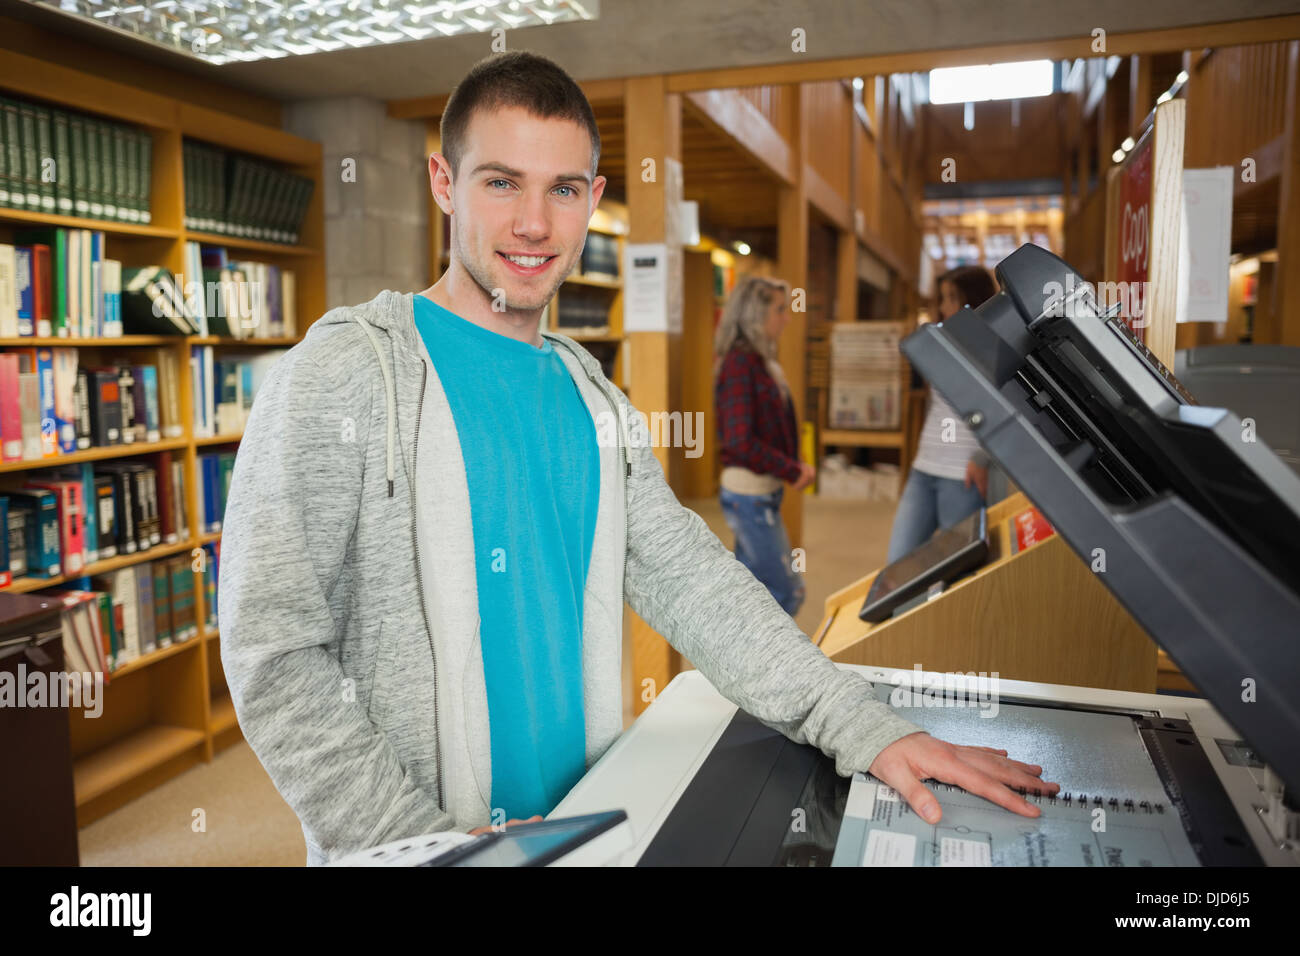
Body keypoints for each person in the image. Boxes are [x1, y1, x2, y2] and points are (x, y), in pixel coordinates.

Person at [219, 51, 1058, 865]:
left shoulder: (595, 400)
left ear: (595, 199)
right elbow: (273, 648)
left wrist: (865, 725)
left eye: (564, 189)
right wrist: (413, 840)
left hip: (580, 831)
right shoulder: (347, 373)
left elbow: (695, 582)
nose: (533, 224)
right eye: (501, 181)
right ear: (444, 182)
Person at [714, 276, 813, 617]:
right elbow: (739, 441)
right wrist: (792, 469)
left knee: (750, 596)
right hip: (750, 497)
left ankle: (734, 666)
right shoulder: (740, 365)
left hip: (762, 494)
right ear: (755, 313)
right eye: (779, 310)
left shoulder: (759, 361)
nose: (786, 318)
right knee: (787, 593)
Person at [886, 265, 999, 563]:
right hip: (924, 467)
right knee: (898, 563)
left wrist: (982, 458)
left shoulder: (993, 348)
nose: (943, 306)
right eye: (942, 298)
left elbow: (1005, 410)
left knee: (954, 573)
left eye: (952, 297)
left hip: (962, 474)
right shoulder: (941, 341)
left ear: (973, 300)